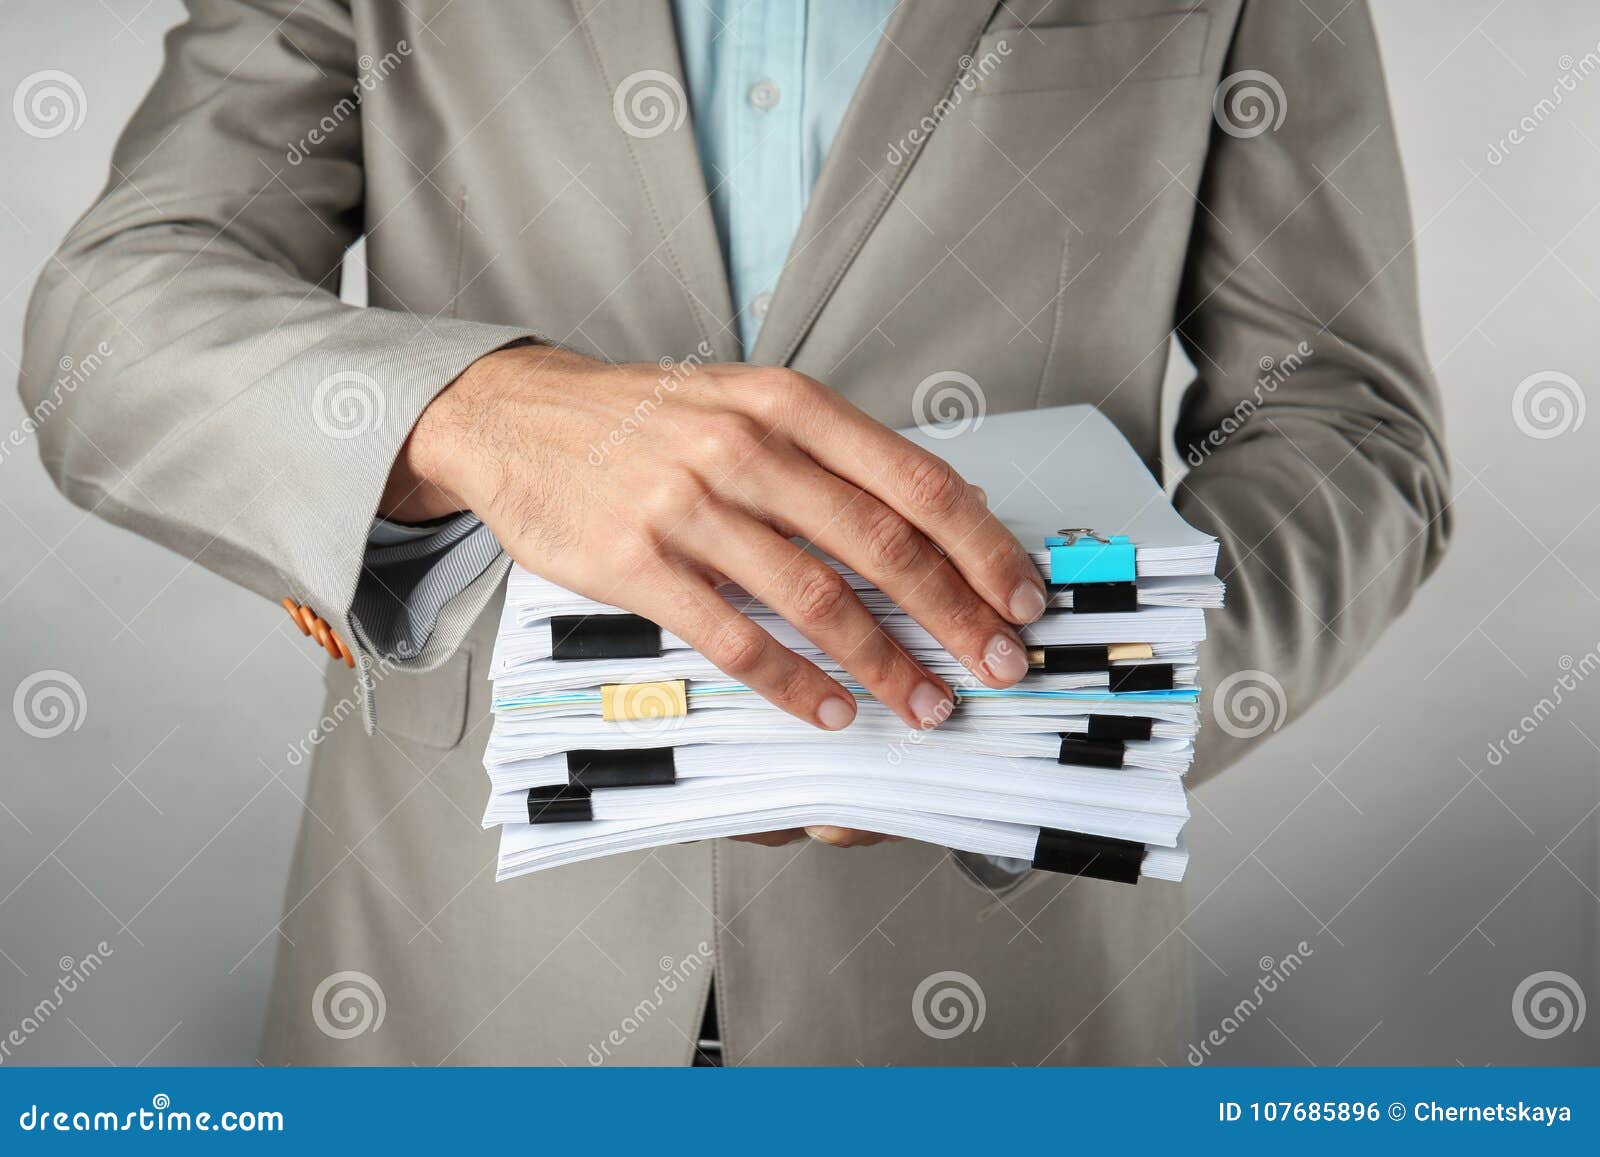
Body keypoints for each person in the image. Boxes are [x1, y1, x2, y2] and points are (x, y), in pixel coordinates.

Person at [18, 0, 1449, 1065]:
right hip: (451, 981)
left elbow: (1349, 425)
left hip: (1000, 1006)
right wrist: (473, 413)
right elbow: (113, 319)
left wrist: (1053, 707)